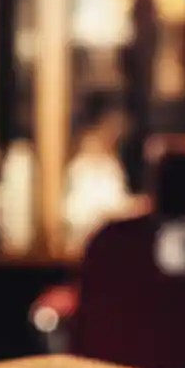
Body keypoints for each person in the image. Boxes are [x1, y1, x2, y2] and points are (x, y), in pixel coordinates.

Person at [62, 91, 141, 255]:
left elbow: (117, 201)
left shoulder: (111, 165)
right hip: (85, 251)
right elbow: (76, 214)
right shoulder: (80, 168)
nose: (113, 135)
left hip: (113, 249)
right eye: (110, 127)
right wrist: (121, 211)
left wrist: (134, 206)